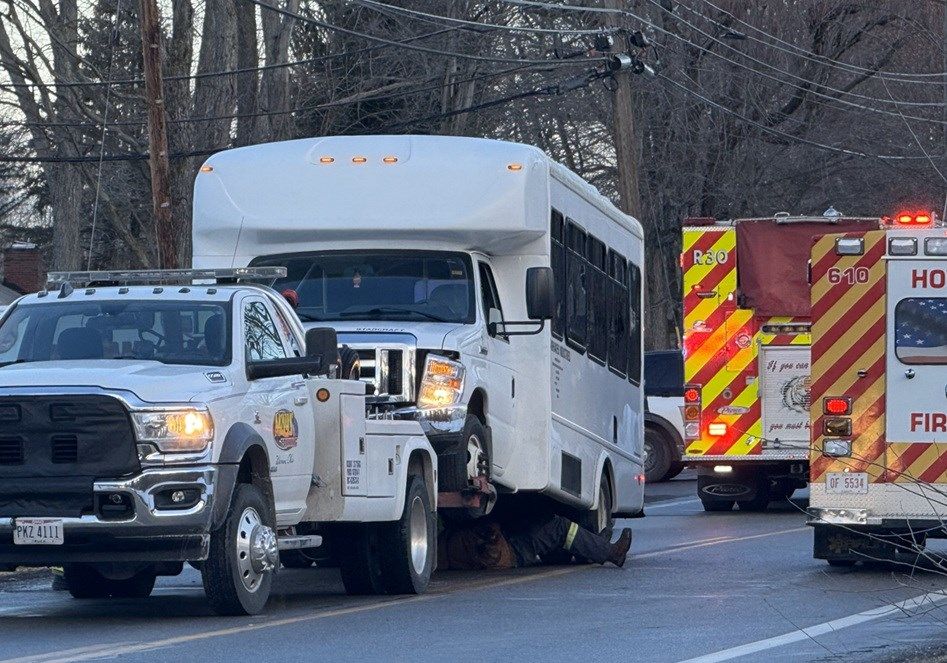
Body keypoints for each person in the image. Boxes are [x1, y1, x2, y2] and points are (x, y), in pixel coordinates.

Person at [439, 514, 632, 570]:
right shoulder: (459, 539)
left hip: (500, 550)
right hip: (507, 551)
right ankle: (610, 552)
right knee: (559, 527)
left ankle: (594, 546)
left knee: (550, 532)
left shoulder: (443, 539)